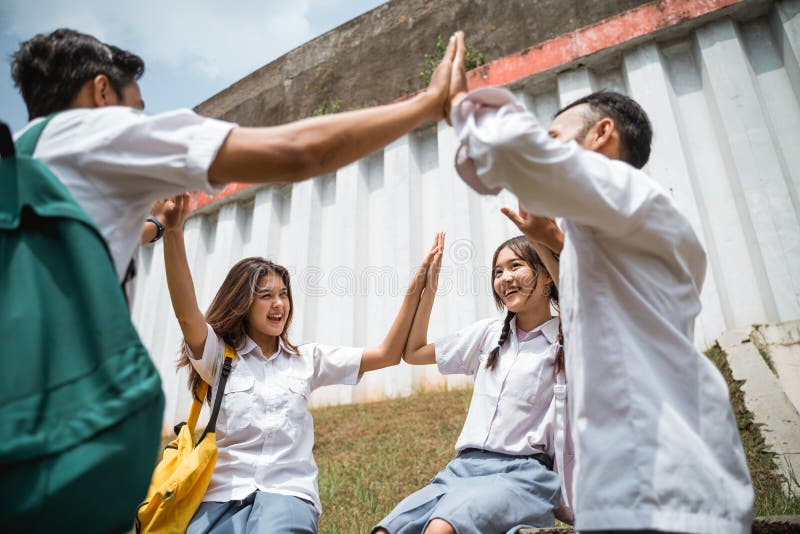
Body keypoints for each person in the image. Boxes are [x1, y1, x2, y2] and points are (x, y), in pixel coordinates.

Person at [446, 32, 754, 533]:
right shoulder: (617, 236)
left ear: (601, 134)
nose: (548, 149)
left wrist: (460, 104)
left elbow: (508, 156)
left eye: (556, 136)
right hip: (631, 495)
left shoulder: (632, 192)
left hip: (666, 496)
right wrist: (551, 238)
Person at [9, 28, 462, 284]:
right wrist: (427, 103)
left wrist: (161, 227)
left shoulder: (23, 159)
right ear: (101, 90)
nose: (139, 120)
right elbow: (296, 155)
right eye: (137, 108)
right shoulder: (101, 132)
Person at [159, 194, 444, 533]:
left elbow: (387, 354)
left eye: (283, 294)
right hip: (221, 496)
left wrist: (417, 290)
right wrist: (173, 233)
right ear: (243, 303)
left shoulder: (307, 360)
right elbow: (186, 313)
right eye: (266, 296)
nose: (279, 304)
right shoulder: (219, 357)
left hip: (287, 495)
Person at [374, 234, 568, 534]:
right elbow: (412, 352)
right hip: (461, 471)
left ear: (545, 275)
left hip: (523, 475)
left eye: (515, 266)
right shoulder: (489, 334)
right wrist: (431, 285)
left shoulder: (567, 339)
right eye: (498, 272)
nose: (505, 278)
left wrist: (539, 235)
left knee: (440, 529)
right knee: (387, 530)